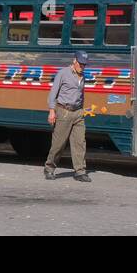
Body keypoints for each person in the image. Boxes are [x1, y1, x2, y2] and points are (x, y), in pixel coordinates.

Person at [44, 50, 90, 182]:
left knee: (80, 143)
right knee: (59, 143)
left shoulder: (82, 76)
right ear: (74, 61)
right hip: (63, 111)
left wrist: (83, 110)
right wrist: (52, 111)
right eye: (80, 64)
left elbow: (81, 95)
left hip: (78, 113)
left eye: (84, 65)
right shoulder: (63, 73)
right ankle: (49, 168)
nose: (82, 66)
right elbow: (53, 93)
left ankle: (80, 171)